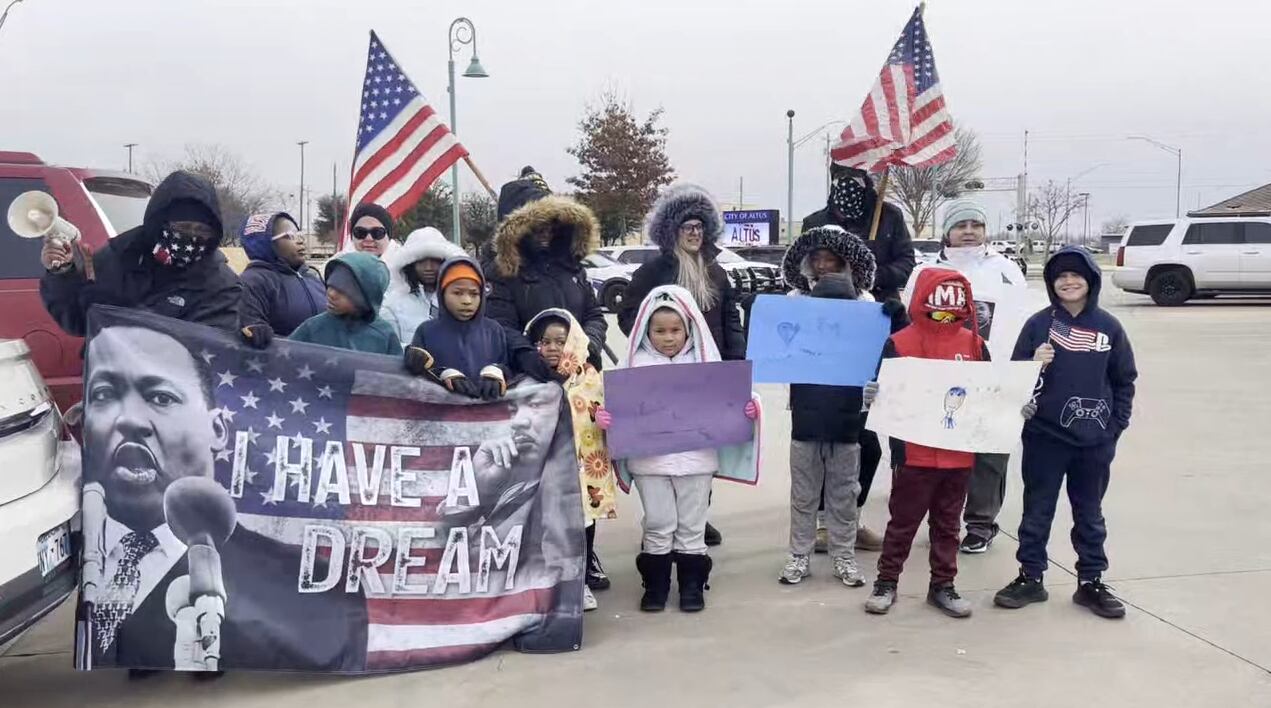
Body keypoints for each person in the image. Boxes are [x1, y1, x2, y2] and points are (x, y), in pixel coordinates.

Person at [80, 325, 364, 671]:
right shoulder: (68, 554)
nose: (130, 420)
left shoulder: (309, 585)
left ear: (218, 430)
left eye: (161, 397)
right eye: (104, 394)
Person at [994, 247, 1137, 619]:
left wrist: (1115, 426)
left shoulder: (1108, 327)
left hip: (1094, 442)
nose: (1069, 282)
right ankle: (1031, 576)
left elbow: (1124, 380)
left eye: (1076, 275)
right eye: (1060, 277)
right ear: (1050, 284)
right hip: (1045, 436)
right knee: (1037, 510)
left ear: (1091, 279)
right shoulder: (1038, 325)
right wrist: (1031, 363)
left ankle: (1091, 580)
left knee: (1089, 513)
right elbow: (1013, 379)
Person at [599, 286, 761, 613]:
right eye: (659, 330)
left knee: (691, 524)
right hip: (650, 462)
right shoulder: (635, 368)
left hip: (697, 461)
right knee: (658, 522)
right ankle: (656, 584)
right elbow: (620, 410)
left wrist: (749, 408)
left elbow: (732, 400)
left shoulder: (706, 364)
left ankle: (692, 584)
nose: (668, 337)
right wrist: (608, 417)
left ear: (689, 328)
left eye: (676, 330)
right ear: (646, 329)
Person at [487, 175, 612, 588]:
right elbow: (501, 326)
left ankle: (586, 550)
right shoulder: (505, 275)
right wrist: (533, 357)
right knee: (542, 480)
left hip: (580, 388)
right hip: (534, 387)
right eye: (534, 223)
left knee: (582, 476)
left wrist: (588, 343)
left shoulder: (574, 270)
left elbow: (594, 314)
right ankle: (540, 556)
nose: (544, 231)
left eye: (550, 222)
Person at [777, 225, 907, 587]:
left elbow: (894, 353)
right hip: (806, 417)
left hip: (850, 420)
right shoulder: (796, 309)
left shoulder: (866, 310)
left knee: (844, 492)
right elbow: (774, 350)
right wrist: (757, 315)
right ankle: (799, 554)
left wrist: (897, 318)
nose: (822, 266)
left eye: (830, 260)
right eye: (816, 260)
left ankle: (844, 555)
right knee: (804, 493)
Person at [618, 184, 745, 548]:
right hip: (662, 380)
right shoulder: (652, 272)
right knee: (664, 451)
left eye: (699, 227)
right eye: (687, 226)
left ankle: (696, 518)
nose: (694, 233)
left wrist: (735, 365)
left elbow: (731, 320)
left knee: (701, 450)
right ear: (671, 230)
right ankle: (660, 520)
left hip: (709, 375)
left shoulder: (716, 273)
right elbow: (631, 316)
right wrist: (656, 346)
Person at [901, 199, 1032, 554]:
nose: (969, 231)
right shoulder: (923, 272)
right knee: (939, 452)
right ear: (947, 231)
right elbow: (911, 318)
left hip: (992, 372)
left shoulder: (1006, 269)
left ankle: (980, 523)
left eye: (976, 224)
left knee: (989, 453)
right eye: (961, 225)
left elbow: (1020, 323)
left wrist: (1018, 370)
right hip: (939, 374)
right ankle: (941, 521)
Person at [861, 268, 991, 619]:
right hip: (914, 452)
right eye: (937, 302)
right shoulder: (901, 342)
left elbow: (989, 395)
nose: (944, 311)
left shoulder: (975, 344)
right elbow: (881, 387)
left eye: (952, 302)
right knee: (902, 522)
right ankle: (886, 582)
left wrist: (1013, 407)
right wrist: (873, 394)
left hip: (959, 454)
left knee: (949, 524)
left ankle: (943, 585)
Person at [40, 171, 241, 337]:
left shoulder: (220, 282)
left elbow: (212, 342)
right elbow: (76, 322)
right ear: (160, 223)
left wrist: (122, 318)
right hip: (111, 379)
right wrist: (63, 274)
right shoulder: (118, 258)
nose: (192, 236)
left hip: (179, 383)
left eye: (202, 230)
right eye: (183, 226)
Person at [525, 308, 619, 612]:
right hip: (545, 470)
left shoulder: (590, 377)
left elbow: (609, 407)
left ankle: (581, 582)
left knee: (583, 523)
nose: (553, 348)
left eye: (560, 341)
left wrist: (607, 419)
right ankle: (550, 581)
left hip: (583, 470)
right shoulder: (527, 380)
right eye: (544, 341)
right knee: (547, 526)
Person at [403, 255, 528, 401]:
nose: (467, 301)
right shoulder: (426, 331)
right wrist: (442, 374)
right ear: (442, 294)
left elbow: (509, 367)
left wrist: (496, 371)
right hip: (440, 415)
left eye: (474, 294)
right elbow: (418, 373)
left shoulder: (494, 331)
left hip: (487, 415)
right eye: (457, 293)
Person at [237, 211, 325, 349]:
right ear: (265, 243)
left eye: (299, 234)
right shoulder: (253, 281)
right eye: (290, 236)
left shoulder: (312, 277)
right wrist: (256, 329)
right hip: (284, 365)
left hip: (326, 364)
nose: (300, 240)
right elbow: (249, 325)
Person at [289, 251, 402, 355]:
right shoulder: (313, 328)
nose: (331, 294)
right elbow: (283, 358)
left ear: (364, 299)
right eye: (330, 286)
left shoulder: (385, 335)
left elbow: (396, 372)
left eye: (342, 291)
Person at [379, 226, 466, 342]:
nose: (428, 268)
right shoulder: (393, 305)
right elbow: (392, 350)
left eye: (435, 260)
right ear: (409, 264)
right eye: (421, 261)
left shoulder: (463, 300)